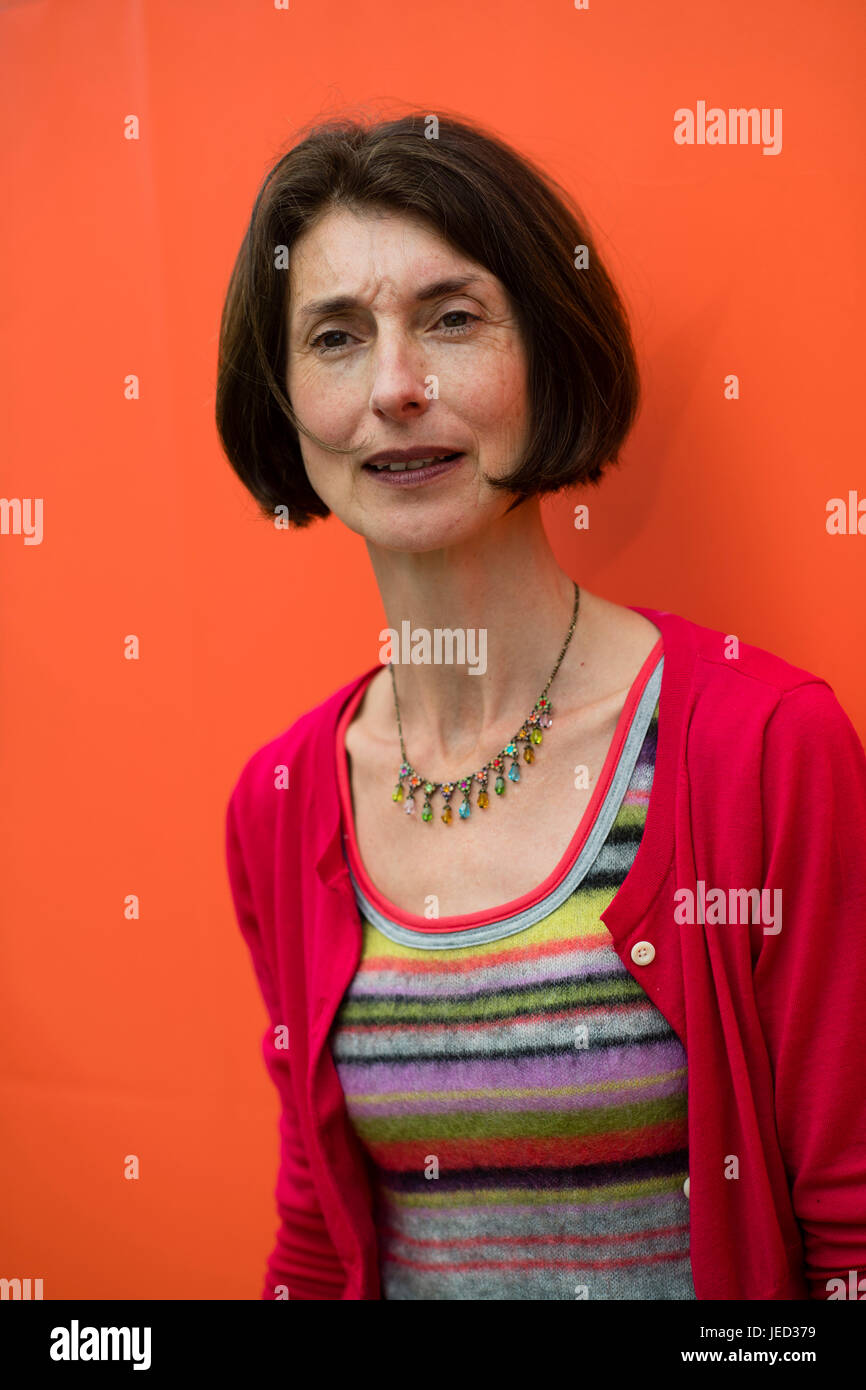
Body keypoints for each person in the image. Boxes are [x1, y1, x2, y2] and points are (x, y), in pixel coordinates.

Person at [217, 111, 866, 1301]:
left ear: (547, 354)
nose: (396, 389)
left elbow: (853, 1235)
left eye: (451, 320)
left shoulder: (765, 746)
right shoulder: (280, 799)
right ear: (284, 397)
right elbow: (316, 1235)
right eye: (335, 336)